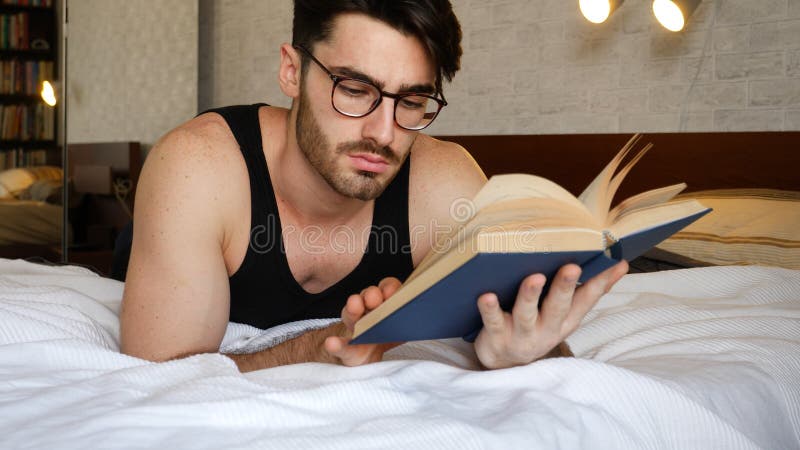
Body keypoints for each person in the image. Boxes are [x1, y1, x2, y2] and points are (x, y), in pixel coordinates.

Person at [119, 0, 628, 372]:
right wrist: (316, 347)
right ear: (292, 72)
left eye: (410, 102)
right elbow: (158, 377)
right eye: (355, 89)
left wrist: (524, 351)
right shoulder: (197, 168)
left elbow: (524, 327)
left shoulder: (444, 183)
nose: (383, 135)